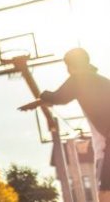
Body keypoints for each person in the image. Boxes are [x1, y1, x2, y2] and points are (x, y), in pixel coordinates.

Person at [18, 48, 110, 201]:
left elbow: (58, 97)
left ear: (72, 67)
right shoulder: (102, 80)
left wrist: (39, 98)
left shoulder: (79, 78)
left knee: (105, 193)